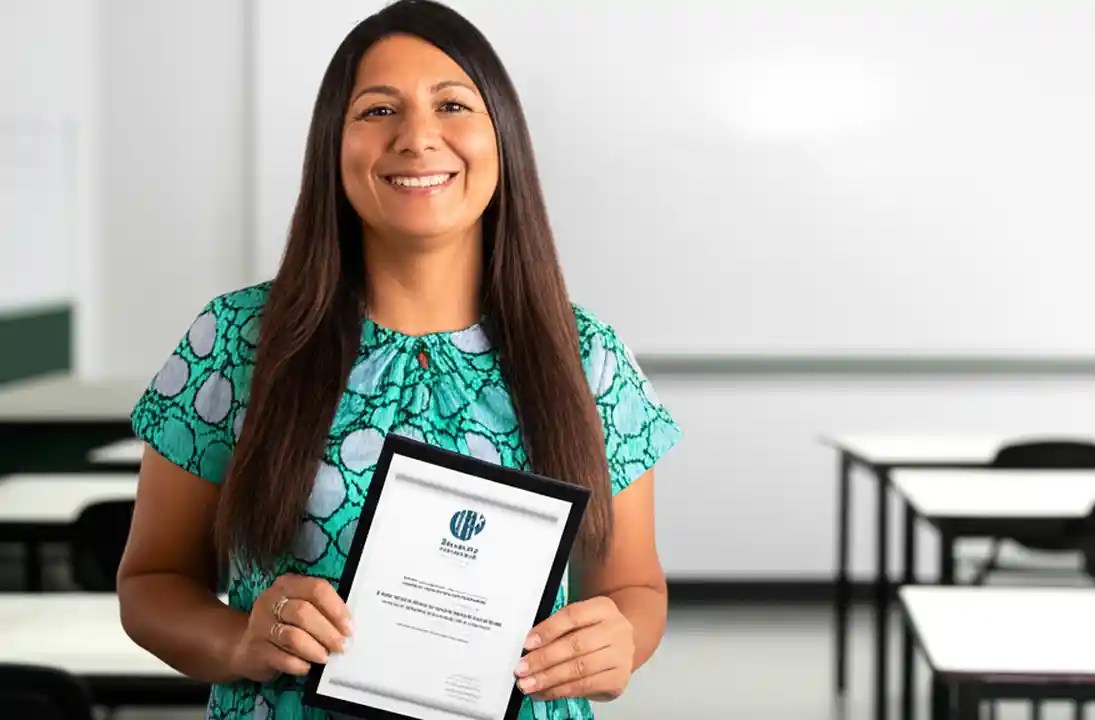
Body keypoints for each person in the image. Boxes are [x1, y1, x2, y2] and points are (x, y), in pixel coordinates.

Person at [115, 2, 681, 718]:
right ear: (333, 145)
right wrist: (237, 641)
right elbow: (152, 581)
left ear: (501, 135)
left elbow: (635, 588)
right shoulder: (236, 340)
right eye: (378, 110)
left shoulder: (588, 357)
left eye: (452, 104)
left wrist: (619, 640)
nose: (418, 137)